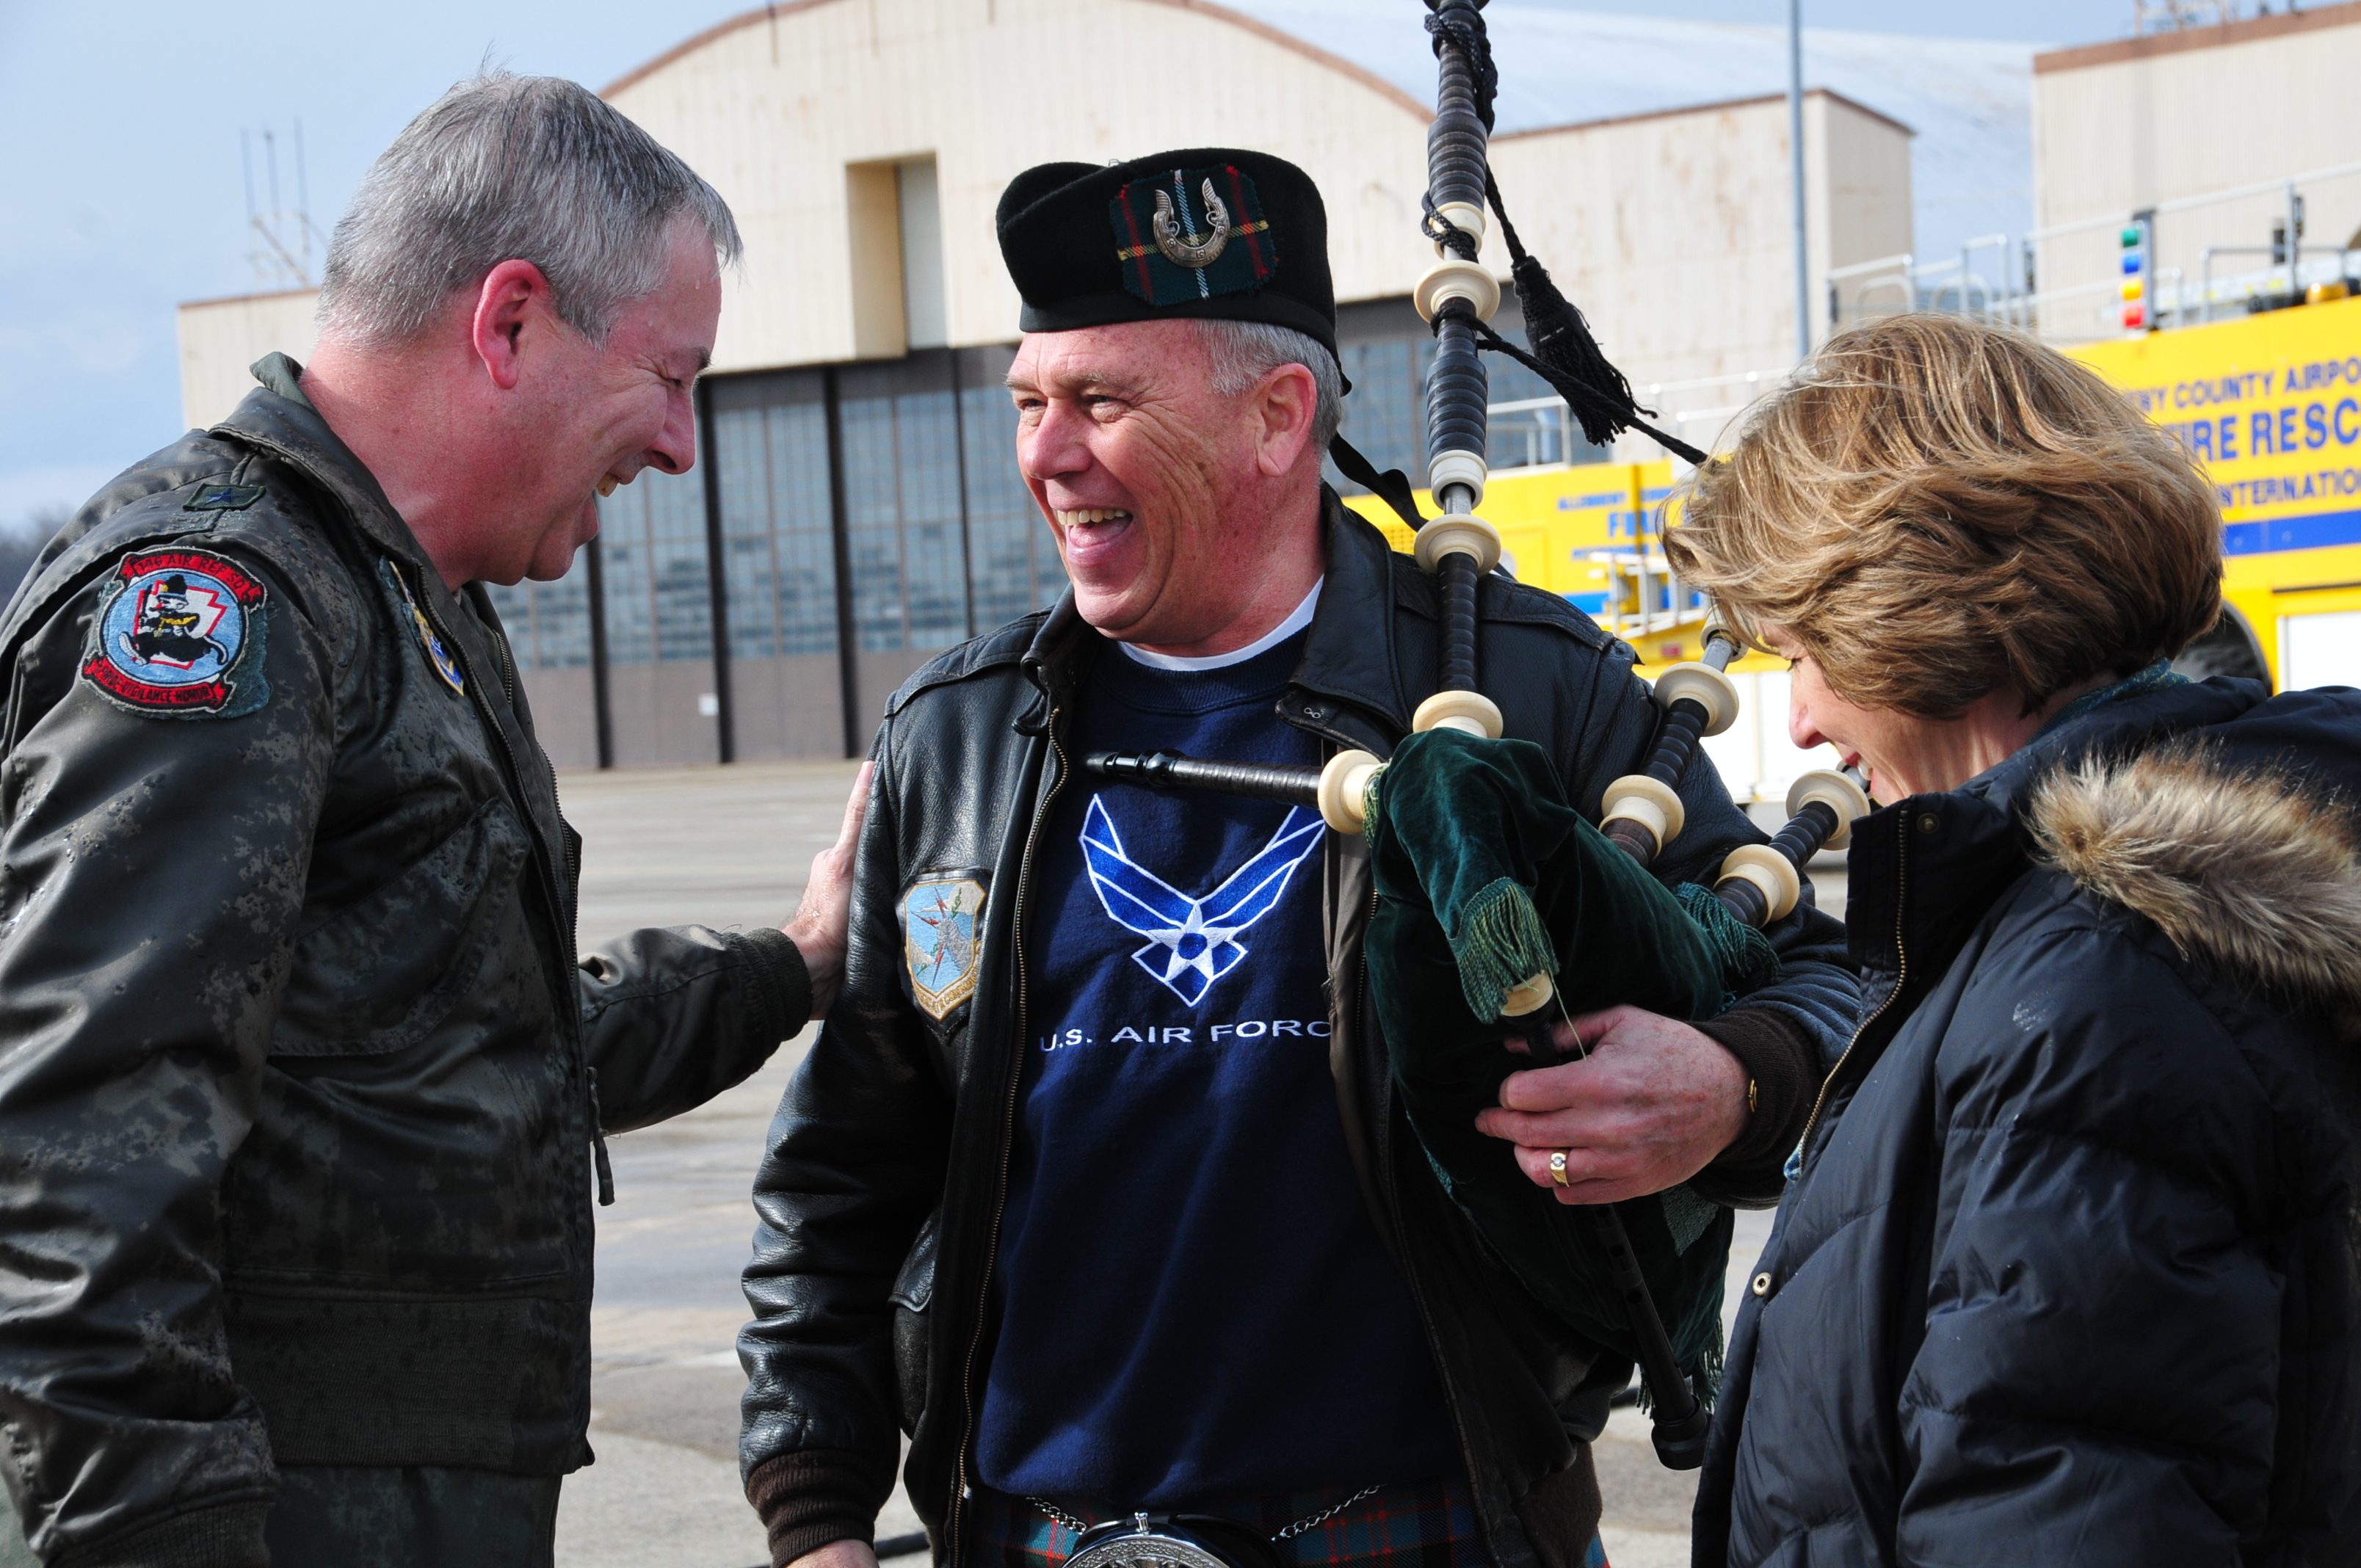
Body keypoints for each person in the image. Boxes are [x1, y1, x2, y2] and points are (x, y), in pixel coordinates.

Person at [736, 148, 1858, 1568]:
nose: (1047, 453)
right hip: (1031, 1539)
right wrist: (816, 1517)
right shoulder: (959, 739)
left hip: (1429, 1527)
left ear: (1278, 420)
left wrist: (1730, 1080)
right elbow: (843, 1173)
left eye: (1101, 402)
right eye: (1030, 402)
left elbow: (1825, 978)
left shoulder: (1527, 686)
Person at [0, 73, 863, 1568]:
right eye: (672, 377)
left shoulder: (406, 603)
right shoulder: (231, 608)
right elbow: (76, 1161)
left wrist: (794, 964)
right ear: (511, 320)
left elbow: (472, 1050)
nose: (681, 446)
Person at [1661, 313, 2361, 1566]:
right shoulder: (2136, 918)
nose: (1806, 725)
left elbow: (2059, 1498)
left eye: (1805, 654)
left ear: (1915, 612)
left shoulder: (2094, 988)